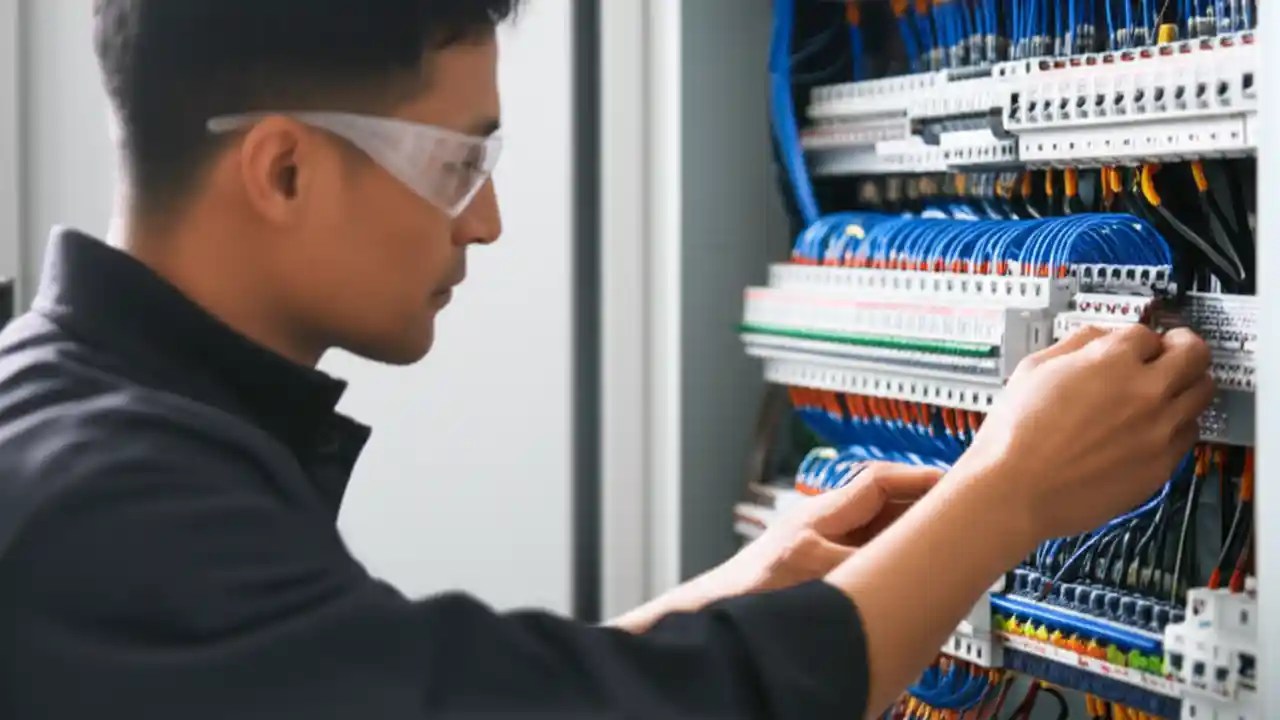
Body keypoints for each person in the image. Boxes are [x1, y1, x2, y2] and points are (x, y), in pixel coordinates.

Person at [0, 1, 1214, 718]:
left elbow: (430, 692)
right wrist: (1006, 496)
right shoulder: (115, 510)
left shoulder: (91, 431)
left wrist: (727, 603)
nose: (484, 221)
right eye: (457, 164)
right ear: (283, 169)